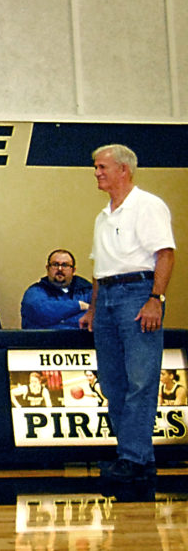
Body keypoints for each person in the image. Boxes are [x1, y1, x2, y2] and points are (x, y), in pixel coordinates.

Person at [81, 144, 175, 483]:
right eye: (96, 167)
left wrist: (155, 299)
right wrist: (93, 307)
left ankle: (133, 457)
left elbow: (165, 255)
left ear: (124, 170)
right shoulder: (102, 215)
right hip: (106, 296)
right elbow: (98, 267)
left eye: (103, 167)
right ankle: (134, 456)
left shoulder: (148, 206)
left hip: (137, 293)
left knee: (140, 379)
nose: (97, 172)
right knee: (112, 380)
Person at [20, 250, 93, 330]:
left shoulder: (87, 291)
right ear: (47, 268)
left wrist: (58, 319)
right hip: (45, 341)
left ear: (73, 270)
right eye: (55, 264)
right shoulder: (34, 292)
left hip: (81, 341)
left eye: (65, 265)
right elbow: (42, 313)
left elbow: (99, 317)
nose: (60, 269)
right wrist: (79, 305)